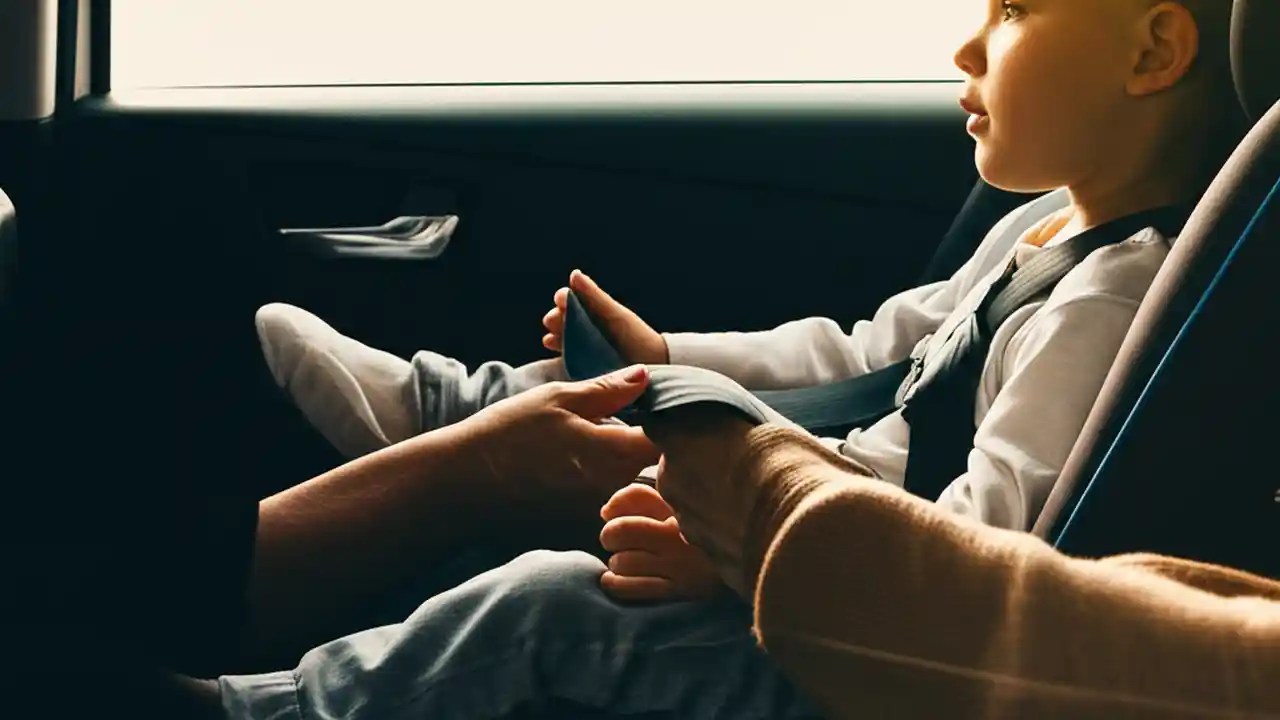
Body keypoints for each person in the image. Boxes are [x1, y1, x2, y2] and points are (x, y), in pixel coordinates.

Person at [208, 1, 1262, 718]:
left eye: (1014, 11)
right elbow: (864, 355)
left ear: (1150, 54)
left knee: (545, 605)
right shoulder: (1041, 227)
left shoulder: (1109, 298)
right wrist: (671, 355)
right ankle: (450, 406)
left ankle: (288, 707)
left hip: (840, 654)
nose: (966, 48)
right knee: (615, 438)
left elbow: (977, 553)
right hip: (838, 499)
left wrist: (741, 559)